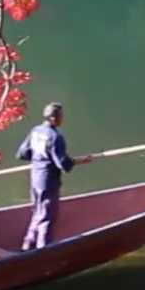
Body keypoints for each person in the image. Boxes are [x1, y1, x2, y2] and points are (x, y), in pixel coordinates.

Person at [17, 101, 92, 250]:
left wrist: (39, 160)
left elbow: (22, 154)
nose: (62, 119)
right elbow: (62, 164)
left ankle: (28, 244)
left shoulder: (35, 131)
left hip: (35, 178)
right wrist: (81, 161)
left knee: (38, 212)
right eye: (60, 116)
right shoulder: (55, 137)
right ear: (53, 118)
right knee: (47, 216)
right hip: (48, 181)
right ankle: (43, 250)